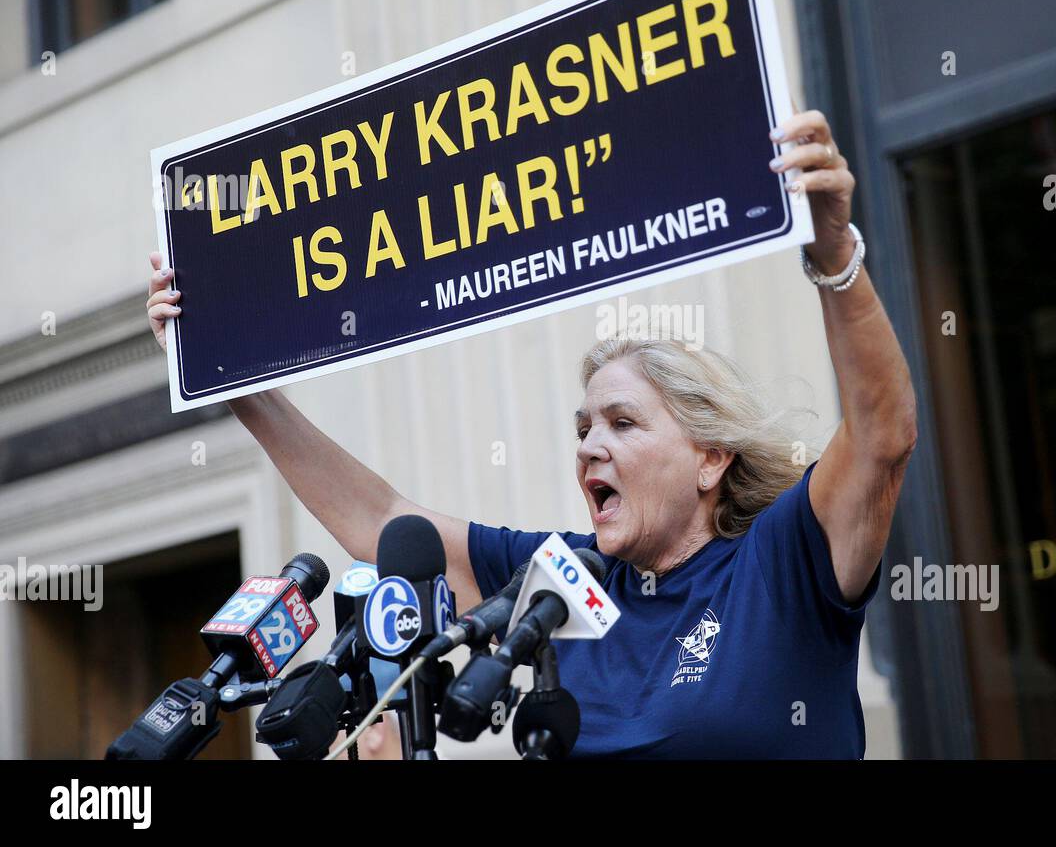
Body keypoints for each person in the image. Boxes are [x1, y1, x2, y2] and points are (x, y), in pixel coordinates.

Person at [146, 109, 917, 758]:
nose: (589, 446)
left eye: (622, 423)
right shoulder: (564, 581)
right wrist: (238, 389)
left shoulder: (779, 563)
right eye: (583, 427)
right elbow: (379, 520)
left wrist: (834, 255)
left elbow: (882, 435)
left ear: (711, 458)